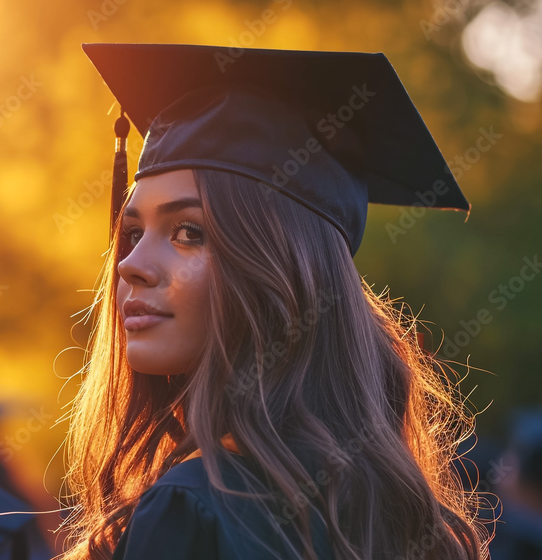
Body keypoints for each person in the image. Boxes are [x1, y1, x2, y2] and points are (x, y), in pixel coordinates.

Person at [57, 43, 493, 560]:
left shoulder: (191, 509)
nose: (130, 265)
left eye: (189, 232)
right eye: (132, 231)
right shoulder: (395, 515)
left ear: (280, 270)